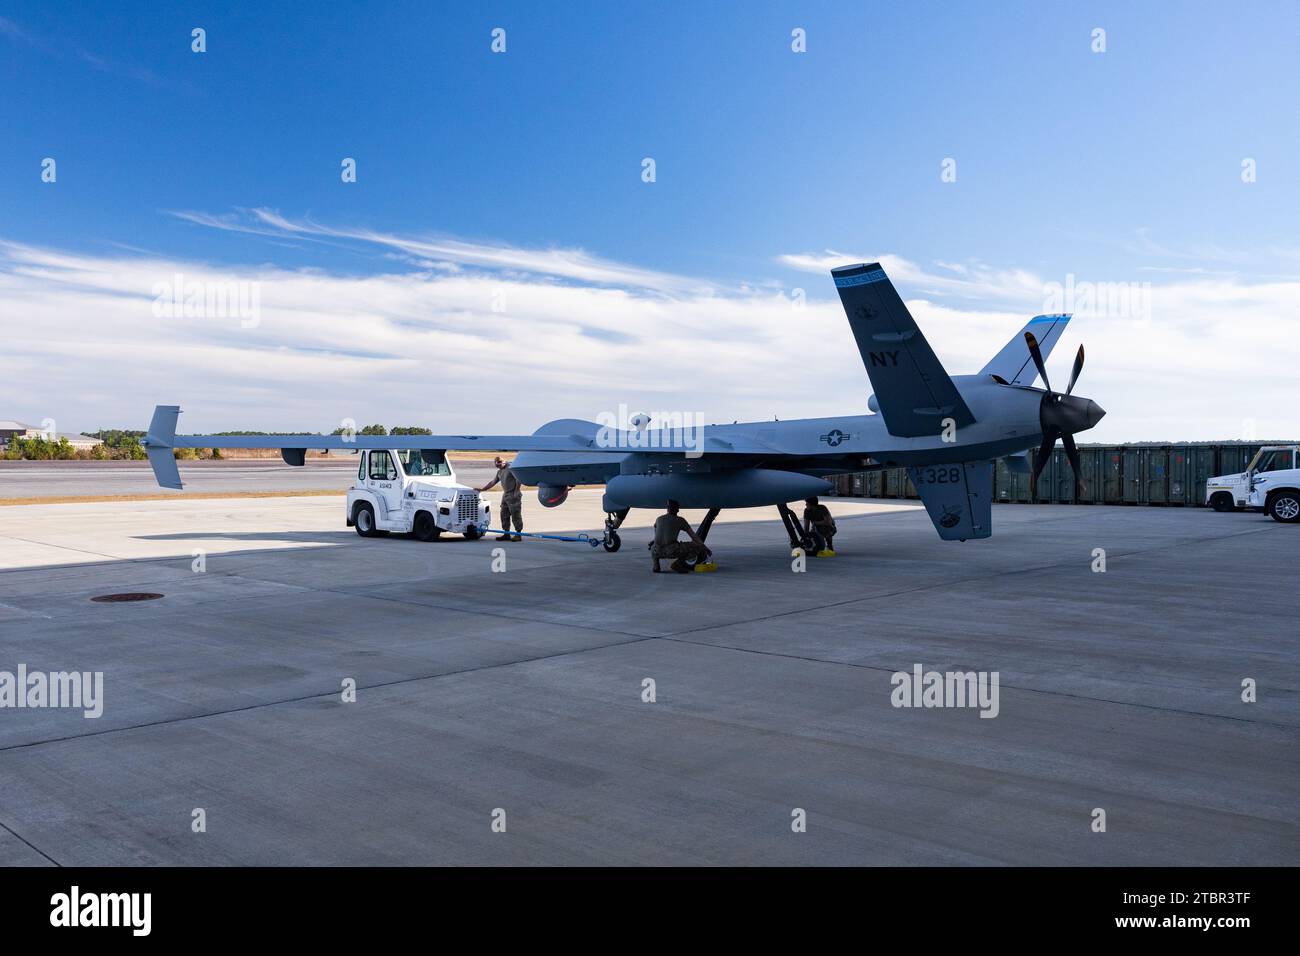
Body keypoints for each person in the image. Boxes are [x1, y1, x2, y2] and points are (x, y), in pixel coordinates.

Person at [651, 500, 711, 573]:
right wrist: (705, 548)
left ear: (667, 509)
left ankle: (656, 565)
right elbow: (694, 536)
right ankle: (677, 564)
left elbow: (655, 528)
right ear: (678, 510)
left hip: (656, 551)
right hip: (671, 551)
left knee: (654, 546)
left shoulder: (659, 519)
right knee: (697, 546)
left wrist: (654, 540)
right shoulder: (680, 520)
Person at [480, 455, 523, 541]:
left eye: (499, 462)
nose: (497, 464)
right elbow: (493, 482)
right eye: (496, 463)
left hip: (513, 494)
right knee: (504, 514)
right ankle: (506, 534)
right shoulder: (500, 472)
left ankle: (518, 534)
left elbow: (518, 479)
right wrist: (483, 489)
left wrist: (516, 491)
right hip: (506, 495)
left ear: (504, 461)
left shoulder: (511, 468)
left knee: (515, 514)